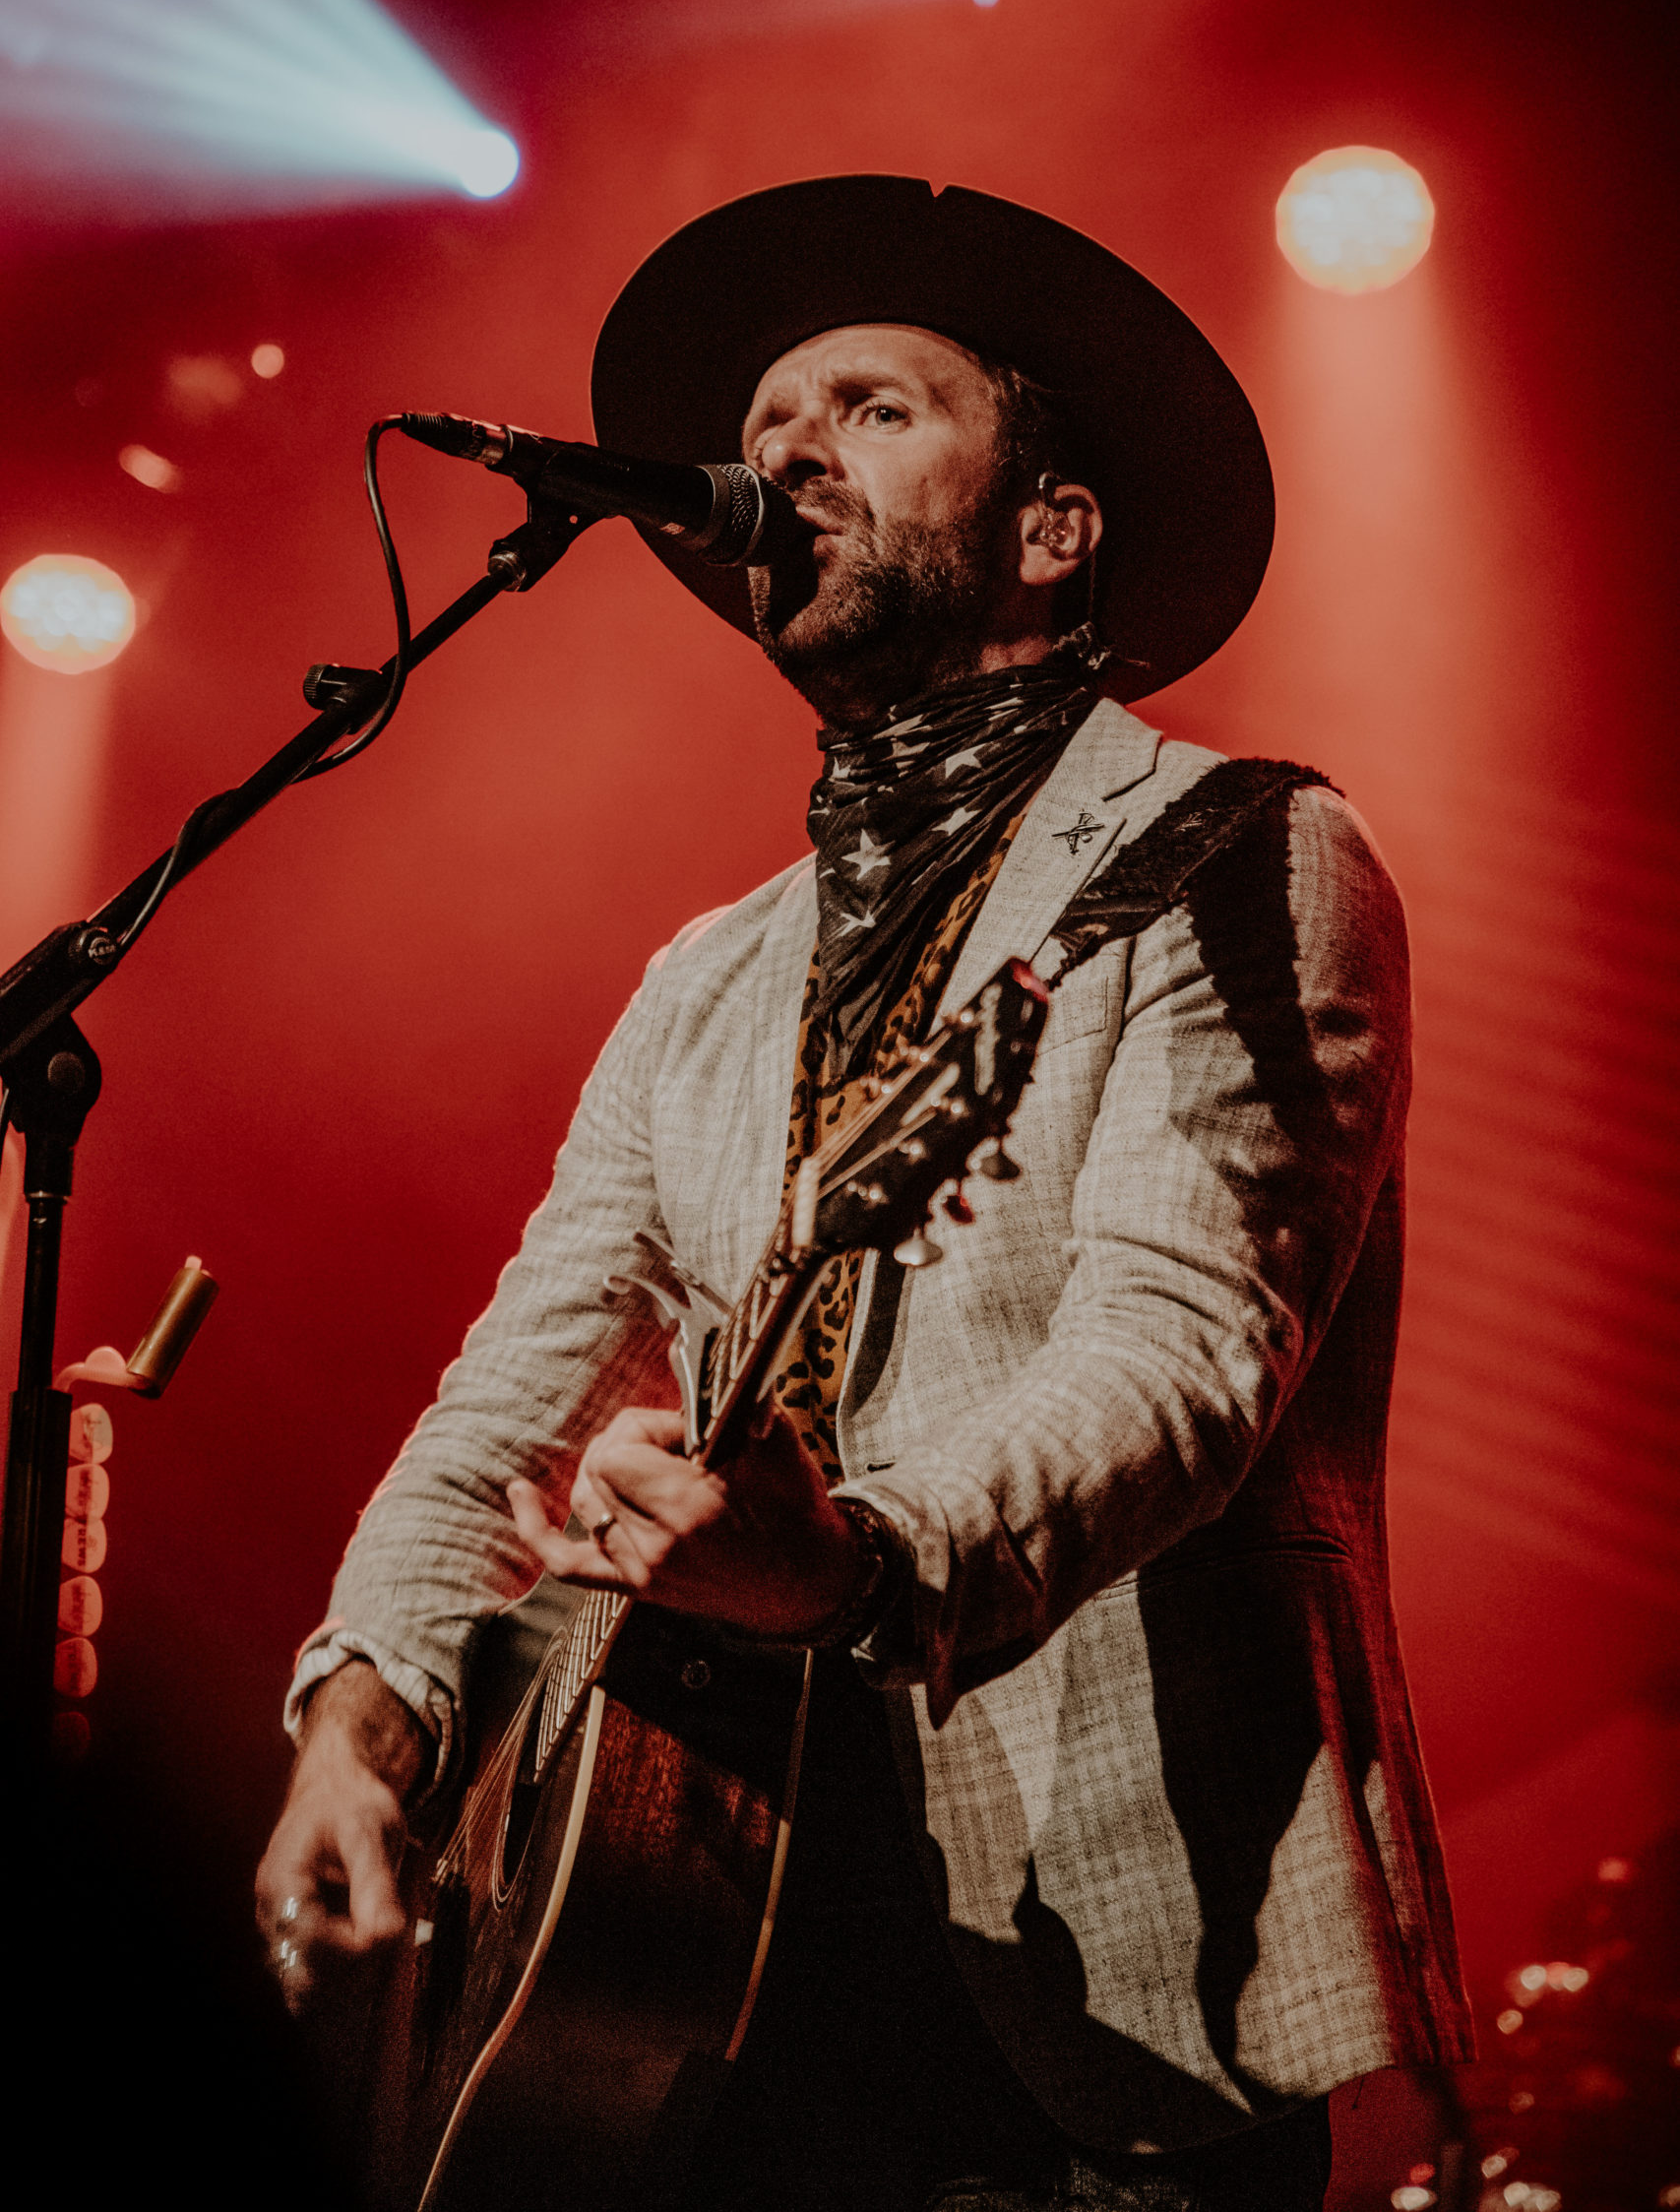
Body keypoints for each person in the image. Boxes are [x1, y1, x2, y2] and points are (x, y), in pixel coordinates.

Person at [257, 177, 1471, 2211]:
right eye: (763, 430)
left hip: (1119, 1973)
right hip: (705, 1952)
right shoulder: (705, 976)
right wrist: (362, 1707)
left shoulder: (1244, 849)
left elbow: (1184, 1353)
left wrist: (855, 1564)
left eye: (869, 408)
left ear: (1049, 528)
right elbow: (514, 1393)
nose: (784, 453)